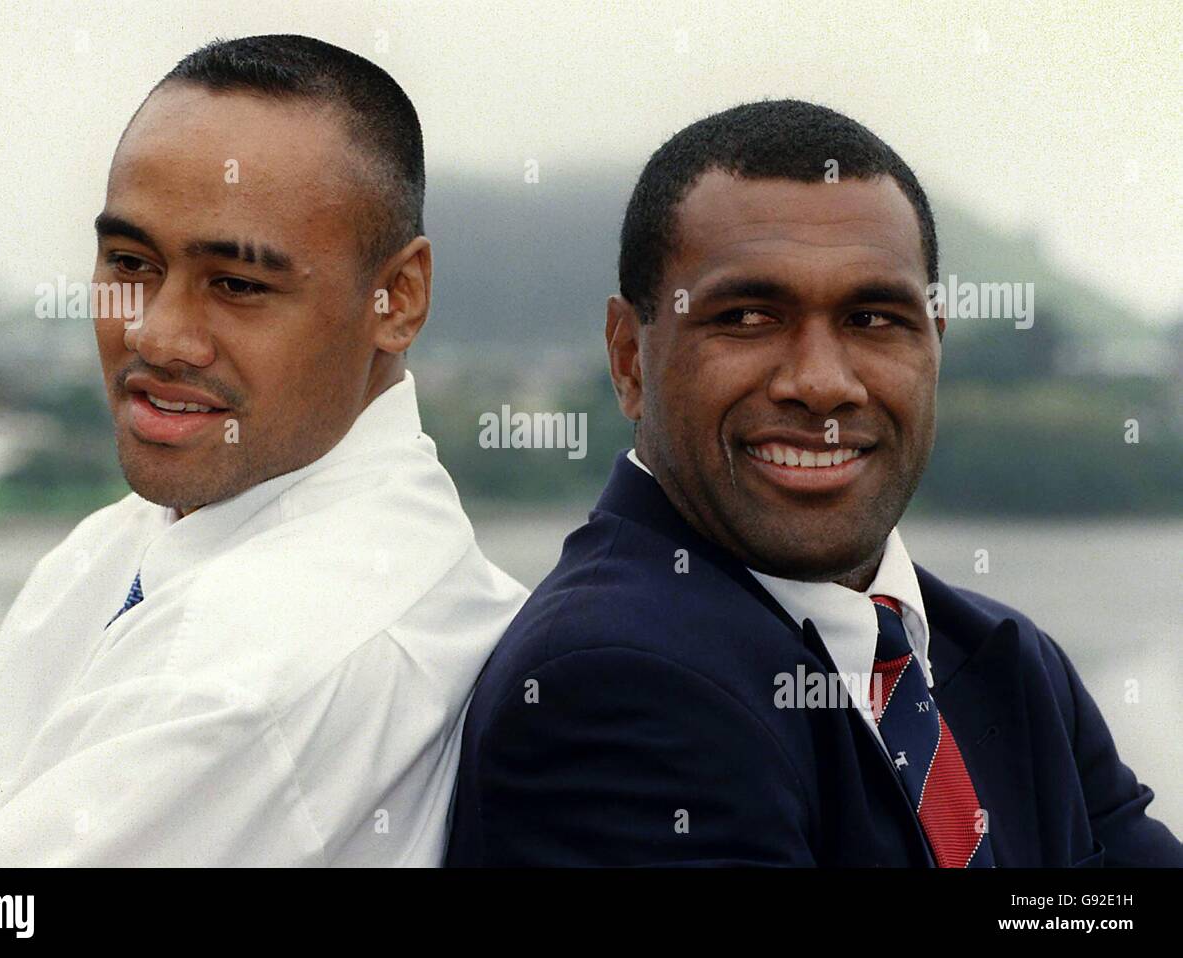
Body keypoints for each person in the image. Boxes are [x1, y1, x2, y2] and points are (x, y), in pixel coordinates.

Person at [446, 99, 1183, 867]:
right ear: (630, 358)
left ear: (936, 348)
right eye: (748, 317)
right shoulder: (607, 686)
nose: (823, 385)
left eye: (872, 319)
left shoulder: (1010, 663)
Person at [0, 34, 527, 867]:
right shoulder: (115, 546)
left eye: (237, 285)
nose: (156, 334)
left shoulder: (278, 656)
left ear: (397, 298)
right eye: (130, 262)